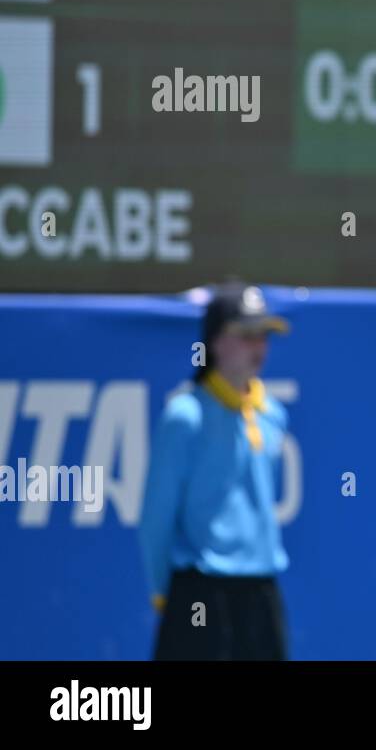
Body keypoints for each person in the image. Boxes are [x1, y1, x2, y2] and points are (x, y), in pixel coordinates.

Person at [139, 282, 293, 660]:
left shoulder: (273, 414)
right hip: (200, 594)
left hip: (261, 594)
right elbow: (155, 519)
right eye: (246, 335)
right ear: (215, 342)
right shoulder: (184, 417)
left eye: (263, 336)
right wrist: (165, 592)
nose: (258, 347)